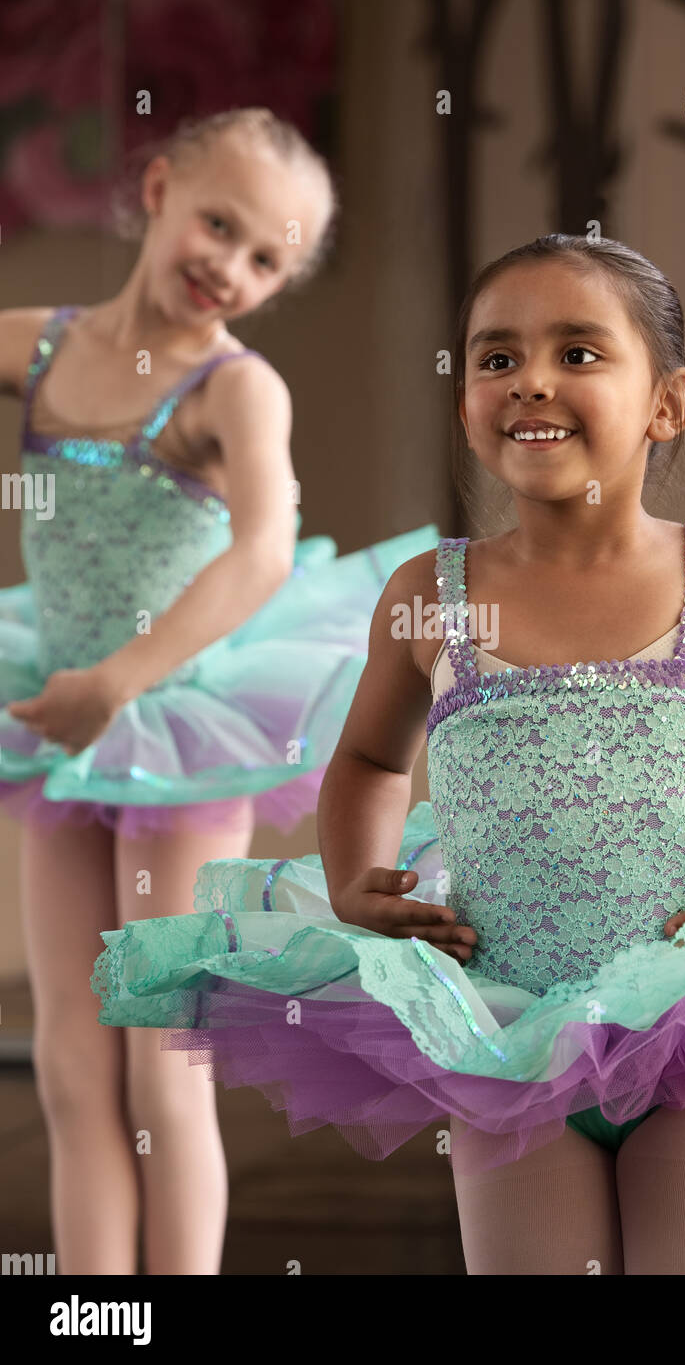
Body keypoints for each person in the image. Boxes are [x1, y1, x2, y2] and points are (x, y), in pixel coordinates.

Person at [91, 235, 685, 1275]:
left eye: (578, 353)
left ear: (669, 402)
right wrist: (356, 880)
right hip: (502, 1039)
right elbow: (369, 762)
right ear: (465, 401)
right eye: (496, 357)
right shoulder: (431, 594)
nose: (531, 382)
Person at [0, 106, 436, 1274]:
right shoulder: (40, 347)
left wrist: (117, 683)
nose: (232, 267)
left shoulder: (235, 390)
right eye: (219, 225)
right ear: (156, 192)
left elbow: (259, 552)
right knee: (72, 1054)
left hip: (178, 725)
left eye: (267, 261)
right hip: (61, 710)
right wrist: (83, 695)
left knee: (161, 1053)